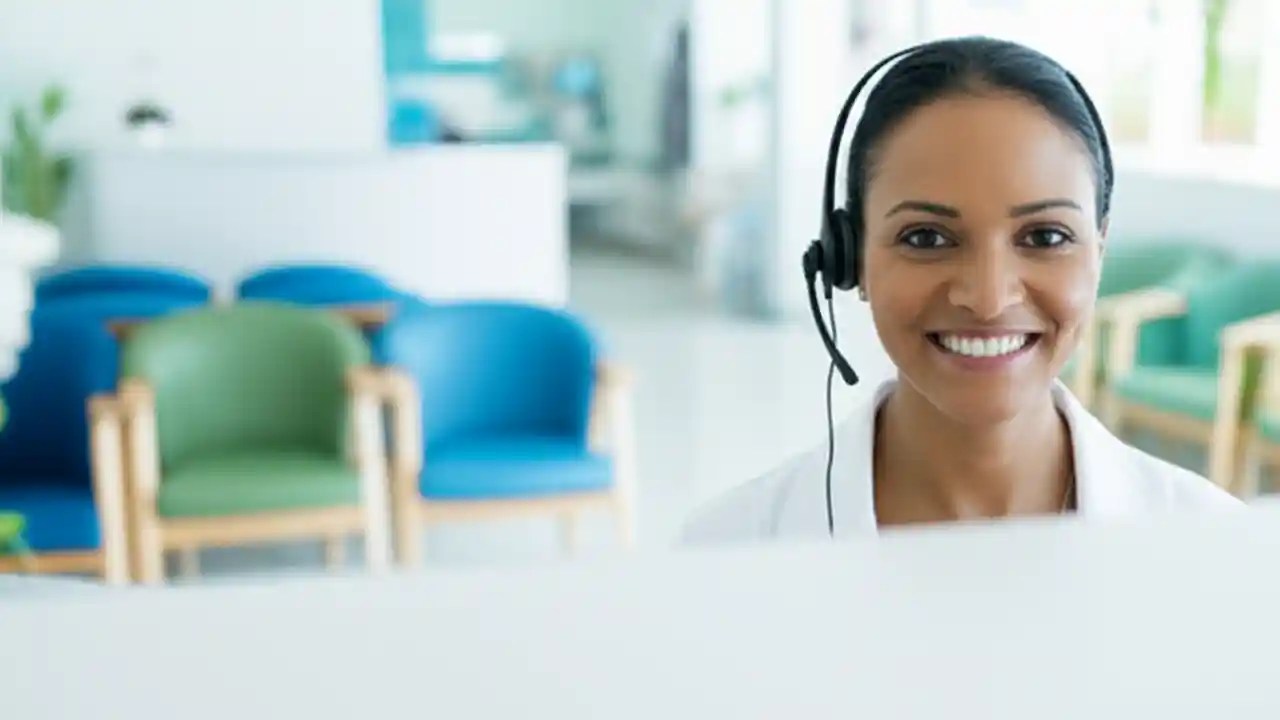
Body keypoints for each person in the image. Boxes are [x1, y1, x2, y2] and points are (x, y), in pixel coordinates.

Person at [685, 37, 1238, 544]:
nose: (989, 299)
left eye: (1045, 236)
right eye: (926, 238)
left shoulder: (1218, 547)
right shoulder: (728, 551)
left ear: (1099, 253)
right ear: (851, 259)